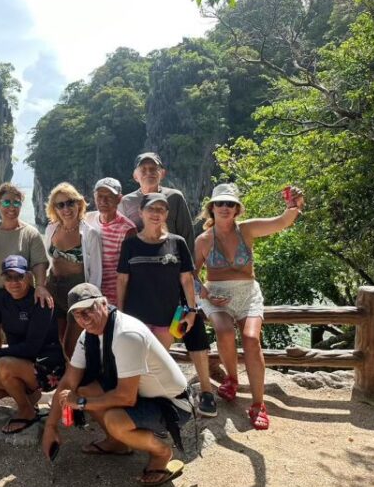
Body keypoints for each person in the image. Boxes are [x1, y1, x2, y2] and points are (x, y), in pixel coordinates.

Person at [41, 284, 191, 487]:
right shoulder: (88, 336)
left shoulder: (126, 334)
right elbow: (69, 382)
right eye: (77, 314)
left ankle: (161, 453)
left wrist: (81, 403)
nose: (84, 318)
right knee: (83, 389)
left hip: (172, 405)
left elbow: (126, 397)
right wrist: (50, 426)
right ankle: (117, 443)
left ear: (104, 303)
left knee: (114, 419)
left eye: (89, 310)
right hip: (142, 394)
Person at [193, 183, 304, 430]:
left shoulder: (247, 229)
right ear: (212, 208)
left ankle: (258, 403)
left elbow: (281, 222)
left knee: (251, 339)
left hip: (247, 293)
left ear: (237, 209)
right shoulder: (203, 240)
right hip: (216, 295)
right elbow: (191, 274)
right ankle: (232, 378)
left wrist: (293, 205)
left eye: (230, 203)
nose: (225, 207)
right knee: (224, 331)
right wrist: (206, 293)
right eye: (220, 203)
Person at [116, 193, 216, 417]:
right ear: (141, 212)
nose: (156, 214)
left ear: (167, 214)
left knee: (158, 360)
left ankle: (161, 404)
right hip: (136, 319)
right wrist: (120, 314)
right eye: (151, 209)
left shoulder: (177, 242)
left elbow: (186, 279)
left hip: (166, 316)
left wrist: (192, 311)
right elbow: (122, 280)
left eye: (161, 209)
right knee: (137, 363)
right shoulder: (130, 244)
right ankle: (140, 404)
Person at [0, 255, 66, 434]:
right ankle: (29, 395)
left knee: (3, 365)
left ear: (28, 276)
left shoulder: (41, 301)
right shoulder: (1, 297)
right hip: (18, 364)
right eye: (8, 277)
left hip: (47, 368)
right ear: (3, 279)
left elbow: (31, 348)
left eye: (19, 276)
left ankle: (26, 411)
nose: (14, 282)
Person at [0, 182, 52, 354]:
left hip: (20, 298)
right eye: (6, 202)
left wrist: (40, 286)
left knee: (19, 341)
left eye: (16, 202)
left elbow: (39, 263)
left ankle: (13, 370)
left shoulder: (30, 234)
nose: (11, 207)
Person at [43, 182, 102, 357]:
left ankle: (77, 373)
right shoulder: (51, 229)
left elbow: (96, 271)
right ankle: (66, 372)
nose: (66, 209)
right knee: (60, 339)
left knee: (72, 345)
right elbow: (47, 261)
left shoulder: (89, 234)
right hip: (53, 289)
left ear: (79, 203)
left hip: (77, 291)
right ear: (54, 208)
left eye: (70, 202)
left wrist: (91, 300)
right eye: (60, 205)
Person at [118, 152, 195, 253]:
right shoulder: (126, 202)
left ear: (162, 173)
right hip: (137, 259)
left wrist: (188, 261)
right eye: (143, 169)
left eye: (153, 168)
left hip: (170, 259)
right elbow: (119, 237)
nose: (149, 172)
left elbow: (187, 234)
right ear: (135, 176)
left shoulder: (175, 197)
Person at [84, 177, 137, 305]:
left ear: (119, 199)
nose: (103, 201)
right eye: (100, 196)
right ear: (94, 197)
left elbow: (129, 271)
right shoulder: (87, 219)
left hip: (114, 299)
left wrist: (121, 305)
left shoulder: (127, 229)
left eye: (109, 197)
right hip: (89, 294)